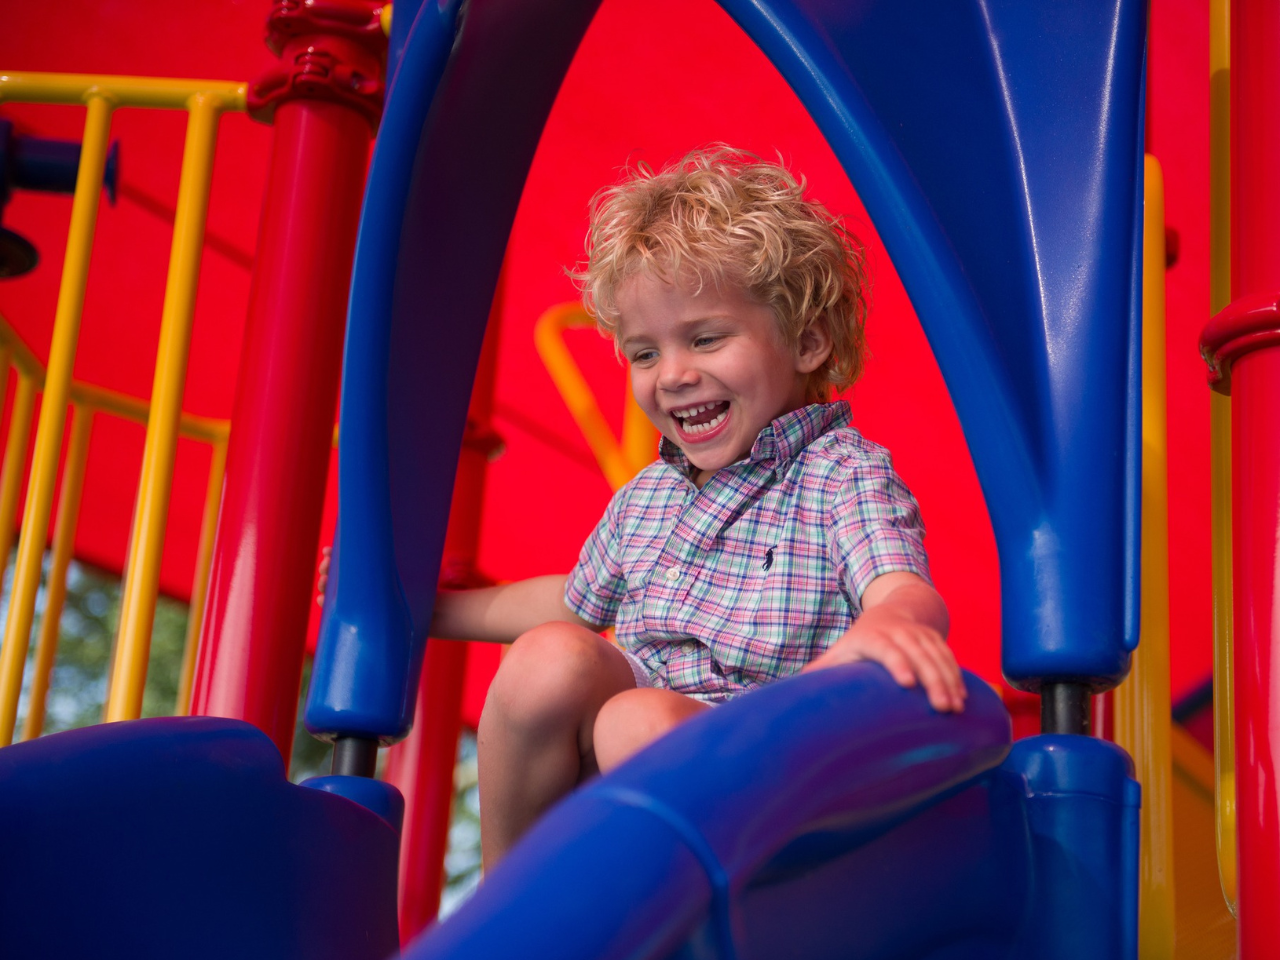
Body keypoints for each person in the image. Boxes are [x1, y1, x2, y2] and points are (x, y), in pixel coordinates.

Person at [318, 146, 965, 871]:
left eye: (706, 338)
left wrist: (886, 629)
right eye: (643, 354)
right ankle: (517, 902)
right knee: (547, 658)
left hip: (780, 769)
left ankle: (679, 914)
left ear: (808, 341)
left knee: (635, 718)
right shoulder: (648, 497)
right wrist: (424, 609)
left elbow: (902, 589)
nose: (675, 375)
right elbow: (569, 605)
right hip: (641, 753)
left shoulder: (838, 473)